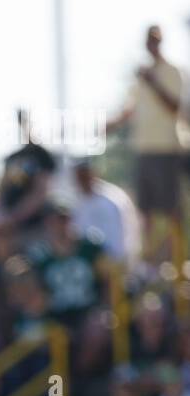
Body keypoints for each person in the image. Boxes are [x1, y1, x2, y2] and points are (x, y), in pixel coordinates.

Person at [108, 24, 184, 258]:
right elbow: (131, 109)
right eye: (149, 40)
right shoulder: (142, 76)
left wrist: (153, 81)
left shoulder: (171, 71)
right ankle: (152, 261)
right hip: (143, 150)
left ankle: (178, 257)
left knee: (171, 208)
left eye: (155, 40)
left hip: (165, 149)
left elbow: (174, 107)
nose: (152, 45)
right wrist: (111, 125)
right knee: (146, 211)